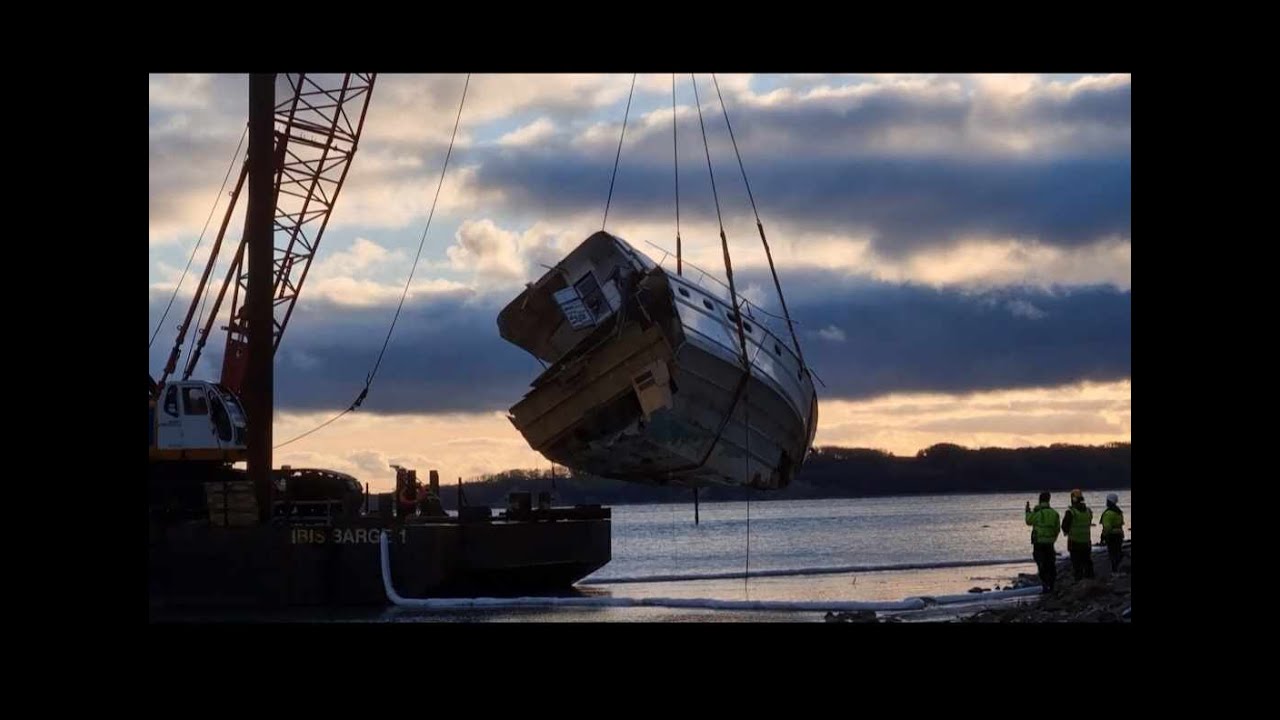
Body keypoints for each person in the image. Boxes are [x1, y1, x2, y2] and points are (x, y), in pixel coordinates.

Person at [1025, 492, 1061, 593]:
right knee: (1051, 563)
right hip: (1050, 542)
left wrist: (1027, 511)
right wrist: (1053, 538)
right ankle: (1052, 585)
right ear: (1049, 500)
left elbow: (1028, 521)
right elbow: (1057, 529)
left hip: (1039, 542)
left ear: (1040, 500)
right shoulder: (1054, 513)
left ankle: (1045, 586)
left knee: (1041, 564)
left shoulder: (1037, 513)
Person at [1061, 489, 1094, 580]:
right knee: (1087, 561)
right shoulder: (1088, 511)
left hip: (1074, 541)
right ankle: (1090, 579)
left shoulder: (1071, 512)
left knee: (1076, 563)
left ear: (1073, 499)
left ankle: (1079, 580)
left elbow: (1064, 526)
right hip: (1086, 541)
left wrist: (1066, 532)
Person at [1100, 493, 1126, 572]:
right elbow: (1121, 523)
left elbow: (1107, 527)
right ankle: (1118, 568)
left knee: (1112, 554)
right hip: (1119, 535)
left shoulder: (1108, 513)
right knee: (1117, 552)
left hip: (1111, 536)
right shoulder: (1119, 512)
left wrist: (1103, 536)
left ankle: (1115, 570)